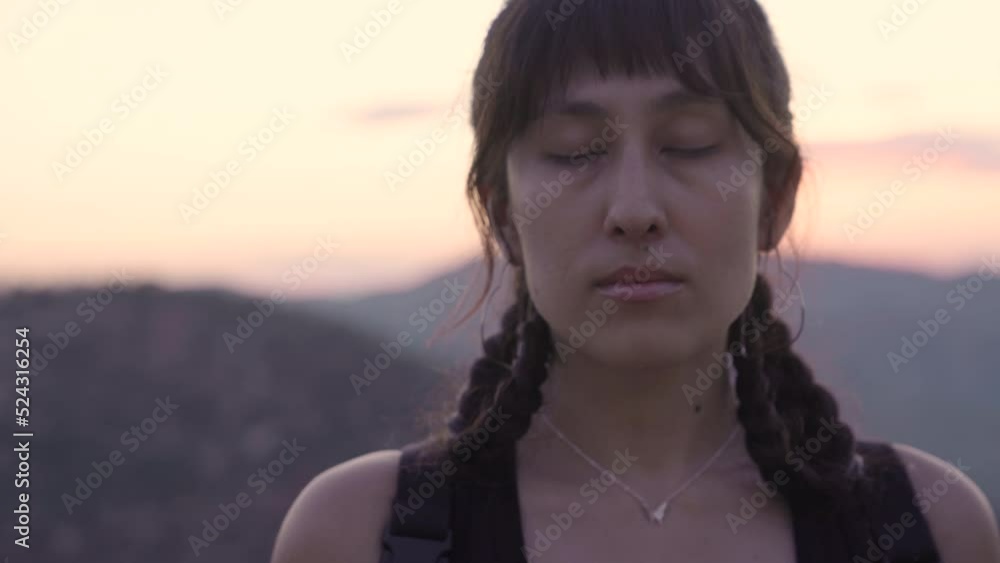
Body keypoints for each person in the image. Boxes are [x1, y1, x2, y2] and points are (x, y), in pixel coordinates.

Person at [270, 1, 1000, 561]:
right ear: (504, 215)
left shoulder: (927, 526)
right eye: (572, 151)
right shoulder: (364, 534)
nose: (635, 210)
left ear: (774, 199)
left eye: (689, 144)